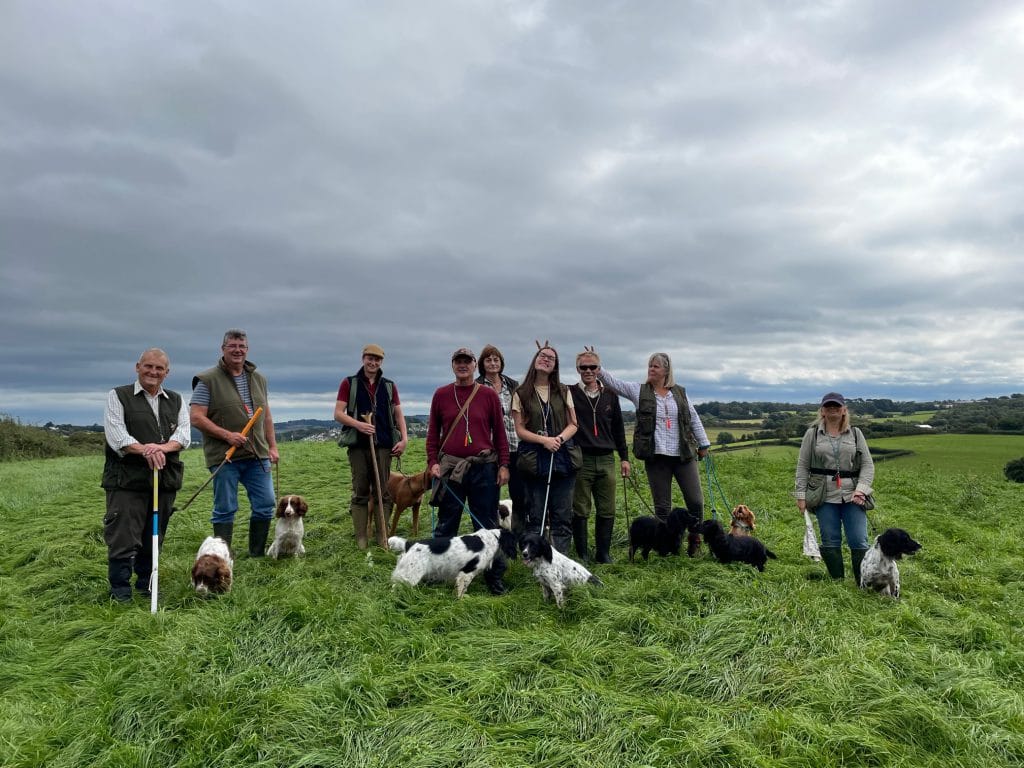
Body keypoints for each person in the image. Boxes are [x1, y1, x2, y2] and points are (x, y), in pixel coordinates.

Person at [102, 348, 191, 602]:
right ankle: (120, 591)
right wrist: (145, 450)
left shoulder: (176, 399)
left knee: (154, 534)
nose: (153, 372)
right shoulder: (117, 396)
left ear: (167, 372)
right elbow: (117, 436)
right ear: (137, 367)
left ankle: (147, 584)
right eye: (148, 366)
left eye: (159, 368)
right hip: (126, 482)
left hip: (163, 480)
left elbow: (183, 436)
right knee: (122, 534)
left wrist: (159, 448)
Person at [190, 329, 279, 557]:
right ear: (223, 349)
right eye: (232, 346)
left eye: (242, 346)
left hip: (257, 455)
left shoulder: (259, 379)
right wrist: (227, 435)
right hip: (225, 456)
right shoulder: (207, 380)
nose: (237, 350)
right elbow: (196, 417)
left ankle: (257, 554)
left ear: (247, 350)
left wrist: (273, 446)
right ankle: (223, 556)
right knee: (225, 508)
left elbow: (266, 416)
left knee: (266, 503)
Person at [599, 352, 710, 523]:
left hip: (684, 455)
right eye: (650, 366)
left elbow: (693, 417)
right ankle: (663, 545)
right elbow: (614, 383)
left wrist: (703, 444)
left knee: (696, 502)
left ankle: (695, 539)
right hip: (656, 457)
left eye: (655, 366)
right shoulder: (639, 391)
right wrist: (597, 367)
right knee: (662, 507)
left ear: (666, 370)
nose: (651, 369)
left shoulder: (680, 393)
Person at [426, 348, 510, 539]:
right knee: (447, 522)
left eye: (467, 361)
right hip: (451, 467)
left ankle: (491, 567)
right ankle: (443, 566)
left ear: (474, 365)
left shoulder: (488, 395)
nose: (462, 365)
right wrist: (433, 462)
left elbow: (499, 433)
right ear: (453, 365)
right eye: (458, 362)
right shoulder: (441, 394)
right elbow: (432, 434)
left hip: (483, 467)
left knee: (487, 523)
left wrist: (504, 465)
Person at [795, 392, 875, 583]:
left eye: (837, 407)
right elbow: (802, 465)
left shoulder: (855, 433)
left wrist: (861, 490)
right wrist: (800, 495)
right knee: (830, 540)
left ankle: (861, 582)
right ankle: (837, 582)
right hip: (823, 494)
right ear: (822, 411)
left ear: (844, 410)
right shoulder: (812, 434)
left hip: (853, 495)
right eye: (829, 407)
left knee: (859, 540)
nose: (833, 410)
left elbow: (868, 465)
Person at [334, 344, 408, 549]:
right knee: (360, 490)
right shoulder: (350, 383)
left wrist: (404, 439)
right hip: (358, 445)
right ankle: (361, 538)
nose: (373, 362)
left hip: (384, 444)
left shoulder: (389, 385)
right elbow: (338, 413)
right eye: (369, 358)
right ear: (363, 359)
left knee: (383, 491)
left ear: (381, 362)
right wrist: (359, 425)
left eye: (377, 359)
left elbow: (398, 413)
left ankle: (382, 537)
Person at [513, 343, 579, 554]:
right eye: (543, 355)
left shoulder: (563, 390)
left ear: (555, 366)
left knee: (562, 515)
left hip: (563, 459)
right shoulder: (521, 393)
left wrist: (558, 438)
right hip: (533, 460)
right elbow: (520, 430)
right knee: (536, 515)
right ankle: (535, 559)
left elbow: (574, 424)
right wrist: (544, 441)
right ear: (535, 359)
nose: (547, 359)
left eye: (552, 358)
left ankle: (561, 560)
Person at [568, 348, 630, 563]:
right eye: (583, 367)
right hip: (581, 458)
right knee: (580, 508)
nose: (588, 371)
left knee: (607, 508)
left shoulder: (610, 396)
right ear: (577, 369)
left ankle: (603, 553)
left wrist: (624, 458)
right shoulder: (570, 393)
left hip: (606, 458)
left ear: (599, 369)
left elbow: (619, 429)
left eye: (593, 367)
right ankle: (583, 554)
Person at [476, 344, 528, 532]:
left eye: (496, 359)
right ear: (482, 364)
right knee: (489, 497)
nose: (492, 363)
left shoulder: (513, 385)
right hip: (490, 450)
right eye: (488, 359)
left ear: (501, 363)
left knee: (520, 496)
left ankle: (519, 537)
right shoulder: (477, 386)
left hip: (515, 445)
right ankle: (491, 537)